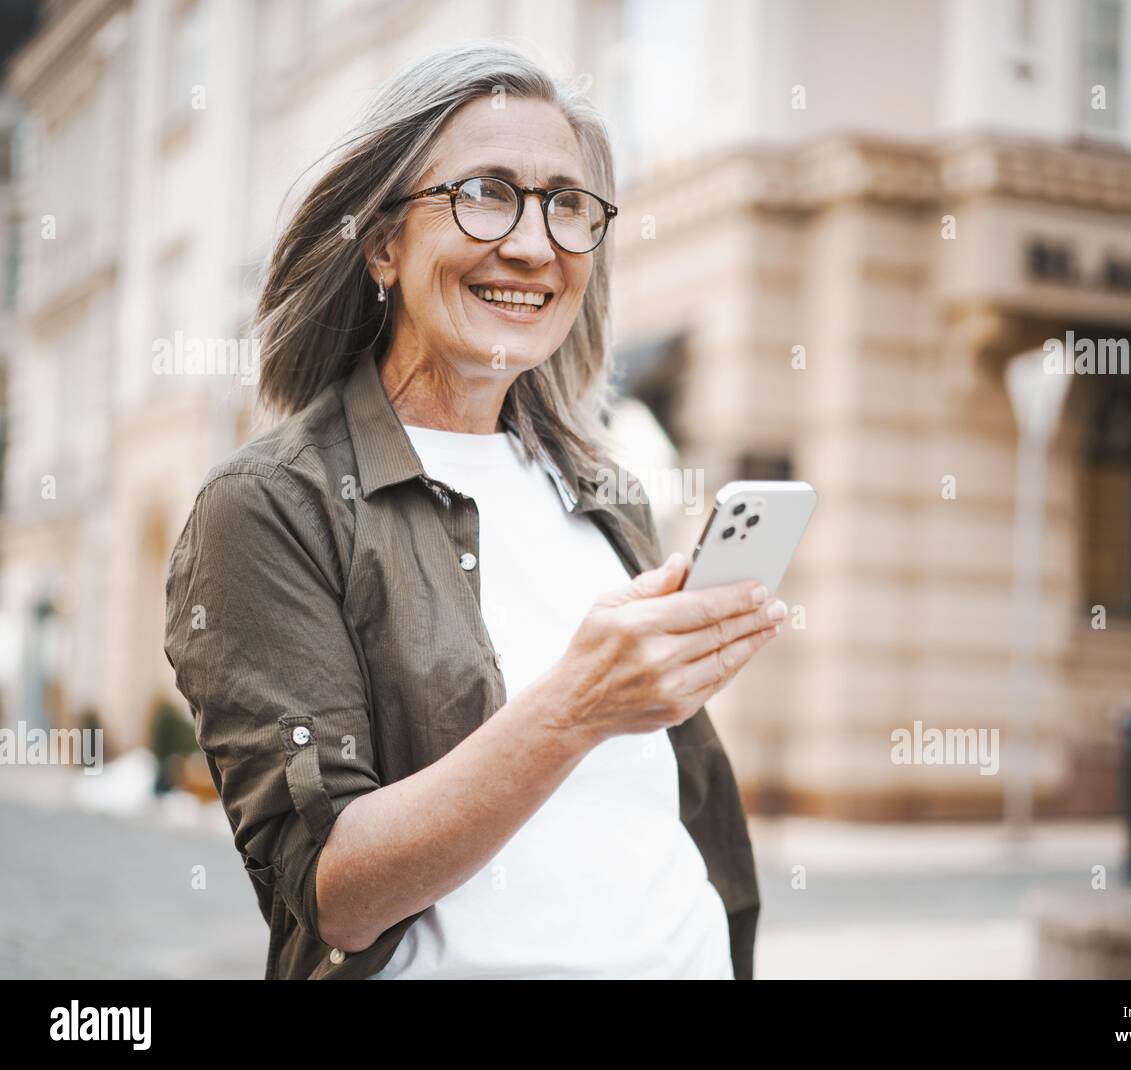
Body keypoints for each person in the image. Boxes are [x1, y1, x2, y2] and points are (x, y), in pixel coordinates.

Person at [163, 42, 784, 980]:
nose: (534, 246)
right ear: (382, 243)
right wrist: (573, 709)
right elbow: (337, 894)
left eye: (567, 205)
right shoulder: (267, 509)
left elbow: (660, 814)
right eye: (486, 193)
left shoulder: (603, 489)